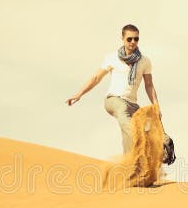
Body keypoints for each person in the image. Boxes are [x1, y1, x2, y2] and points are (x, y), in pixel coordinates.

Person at [66, 23, 163, 155]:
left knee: (136, 132)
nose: (133, 42)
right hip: (114, 99)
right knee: (126, 116)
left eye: (136, 39)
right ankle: (142, 141)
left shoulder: (144, 61)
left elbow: (149, 85)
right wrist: (79, 94)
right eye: (129, 39)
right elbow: (96, 78)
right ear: (122, 39)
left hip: (133, 105)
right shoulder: (112, 58)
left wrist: (156, 106)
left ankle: (130, 166)